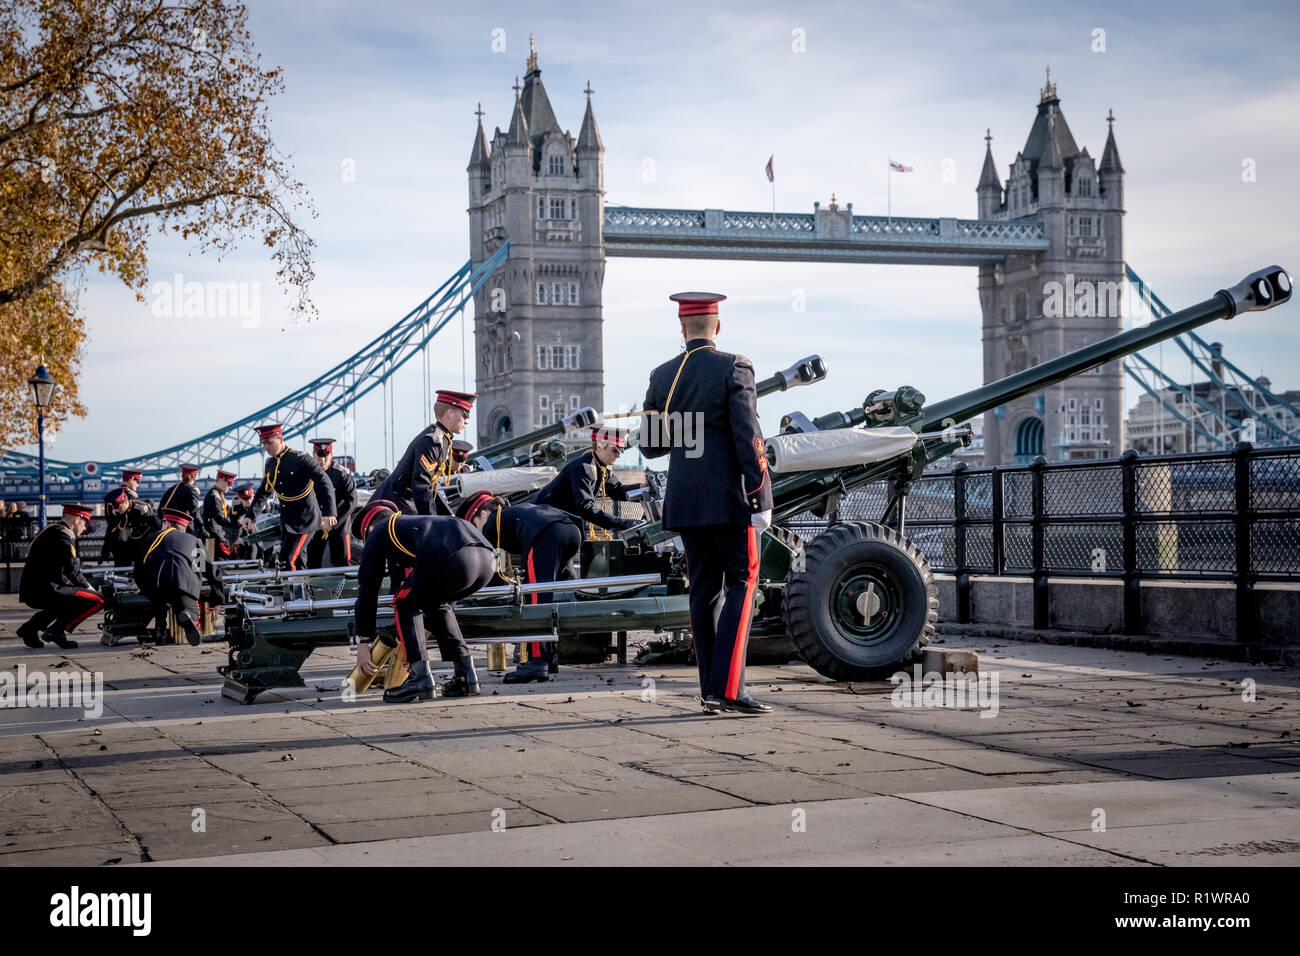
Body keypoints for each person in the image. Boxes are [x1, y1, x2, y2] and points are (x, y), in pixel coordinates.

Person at [641, 291, 773, 716]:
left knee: (703, 591)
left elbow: (651, 447)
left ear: (683, 329)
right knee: (742, 583)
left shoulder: (662, 375)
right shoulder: (734, 366)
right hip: (729, 500)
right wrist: (760, 494)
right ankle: (731, 688)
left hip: (685, 500)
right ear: (718, 327)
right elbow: (748, 437)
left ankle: (711, 688)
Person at [350, 499, 494, 703]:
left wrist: (363, 642)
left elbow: (368, 588)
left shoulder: (380, 530)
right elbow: (411, 579)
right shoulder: (412, 525)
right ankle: (466, 675)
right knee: (437, 604)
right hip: (486, 560)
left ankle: (420, 678)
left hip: (455, 558)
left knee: (404, 603)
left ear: (368, 527)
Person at [459, 492, 582, 683]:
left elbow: (488, 570)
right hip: (571, 530)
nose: (477, 533)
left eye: (474, 526)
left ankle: (537, 662)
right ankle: (549, 657)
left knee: (536, 599)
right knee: (550, 598)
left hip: (545, 535)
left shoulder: (492, 522)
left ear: (482, 513)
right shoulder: (511, 513)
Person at [240, 423, 337, 570]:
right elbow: (264, 491)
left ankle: (291, 593)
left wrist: (329, 513)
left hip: (305, 521)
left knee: (286, 560)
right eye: (264, 443)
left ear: (281, 439)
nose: (266, 447)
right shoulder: (270, 464)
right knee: (298, 562)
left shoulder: (300, 459)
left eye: (270, 443)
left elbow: (324, 482)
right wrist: (250, 515)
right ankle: (304, 592)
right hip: (287, 521)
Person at [370, 389, 476, 516]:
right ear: (450, 413)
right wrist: (432, 521)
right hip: (390, 508)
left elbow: (431, 487)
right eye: (464, 415)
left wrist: (448, 515)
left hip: (400, 505)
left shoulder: (441, 439)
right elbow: (421, 485)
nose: (466, 421)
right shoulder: (431, 442)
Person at [16, 503, 103, 650]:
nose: (84, 529)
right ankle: (57, 630)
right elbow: (72, 569)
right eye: (84, 523)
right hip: (46, 589)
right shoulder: (63, 536)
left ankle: (29, 629)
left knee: (64, 602)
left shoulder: (53, 530)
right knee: (98, 600)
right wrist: (90, 588)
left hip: (35, 589)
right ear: (77, 519)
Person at [533, 427, 643, 538]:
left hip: (553, 521)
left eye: (621, 451)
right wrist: (623, 523)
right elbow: (586, 509)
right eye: (615, 450)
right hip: (542, 523)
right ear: (600, 446)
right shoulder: (583, 468)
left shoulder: (600, 468)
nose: (618, 455)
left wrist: (642, 487)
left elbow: (617, 491)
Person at [136, 508, 206, 646]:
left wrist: (142, 585)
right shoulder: (195, 540)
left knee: (158, 600)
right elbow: (202, 569)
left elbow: (138, 565)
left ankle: (160, 630)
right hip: (181, 583)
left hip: (153, 584)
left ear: (166, 523)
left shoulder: (151, 537)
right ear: (183, 527)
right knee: (187, 604)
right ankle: (188, 618)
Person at [306, 438, 358, 568]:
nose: (322, 461)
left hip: (339, 525)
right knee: (312, 563)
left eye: (326, 456)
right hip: (315, 525)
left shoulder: (341, 474)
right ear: (314, 454)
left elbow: (351, 500)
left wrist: (333, 520)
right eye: (319, 456)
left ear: (331, 455)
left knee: (342, 562)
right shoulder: (307, 474)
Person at [99, 486, 160, 566]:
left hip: (141, 550)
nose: (116, 510)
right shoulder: (117, 513)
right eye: (114, 508)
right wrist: (105, 551)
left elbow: (158, 527)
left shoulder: (141, 510)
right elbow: (111, 531)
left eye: (118, 507)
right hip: (122, 552)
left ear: (126, 502)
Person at [201, 469, 241, 559]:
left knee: (210, 566)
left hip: (212, 535)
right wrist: (235, 524)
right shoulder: (214, 496)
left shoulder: (217, 494)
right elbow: (218, 518)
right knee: (218, 564)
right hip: (212, 537)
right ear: (222, 480)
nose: (230, 487)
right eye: (229, 484)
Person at [157, 464, 203, 530]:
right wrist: (202, 526)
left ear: (182, 476)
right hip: (182, 527)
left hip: (166, 527)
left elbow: (160, 511)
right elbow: (193, 512)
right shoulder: (192, 491)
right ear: (194, 477)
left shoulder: (170, 490)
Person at [229, 484, 257, 559]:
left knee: (253, 552)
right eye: (245, 499)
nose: (248, 501)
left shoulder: (259, 502)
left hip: (257, 533)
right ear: (239, 498)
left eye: (250, 498)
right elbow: (234, 522)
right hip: (242, 534)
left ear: (253, 495)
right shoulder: (236, 505)